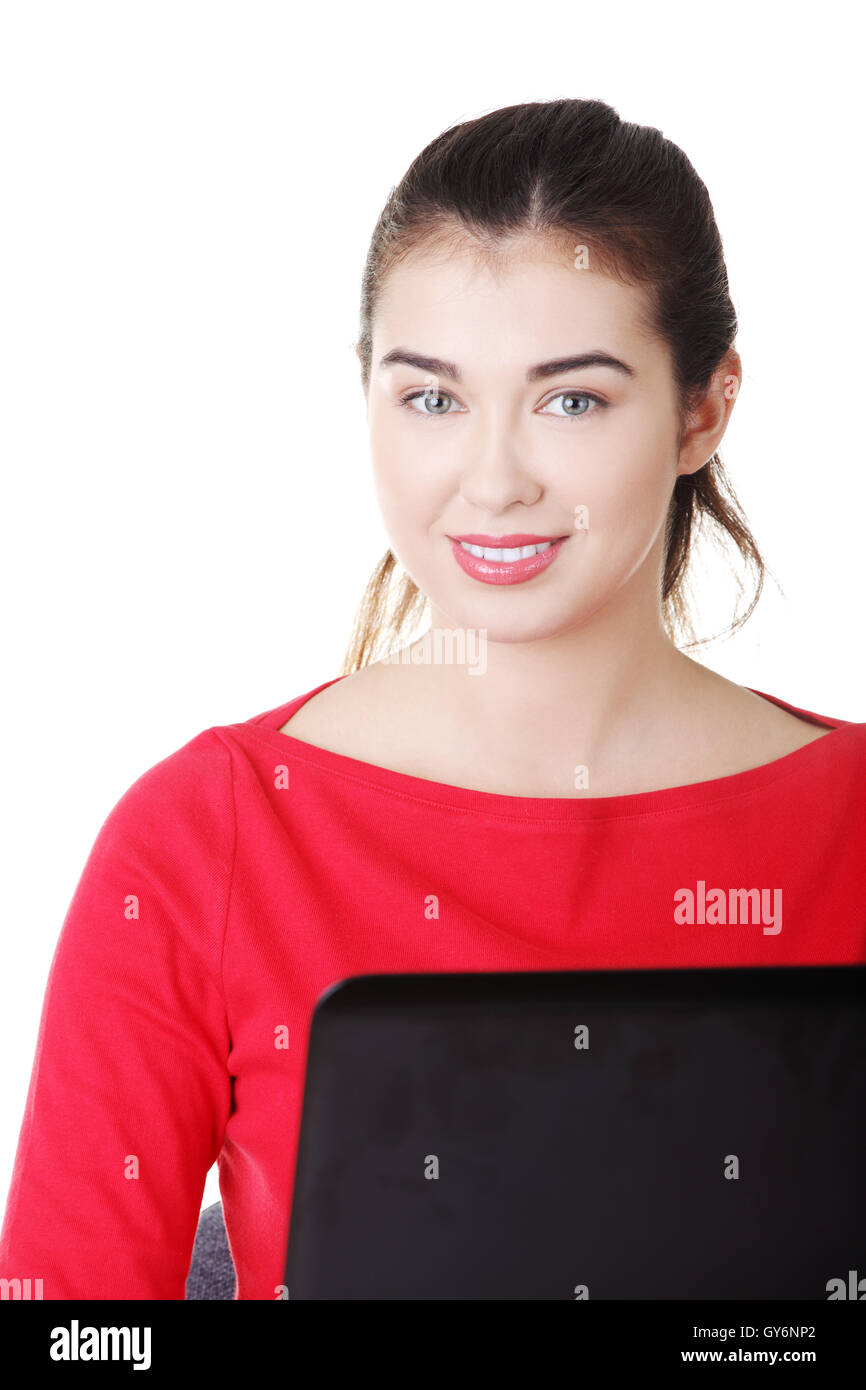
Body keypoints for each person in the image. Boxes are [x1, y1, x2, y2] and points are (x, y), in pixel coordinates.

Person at [1, 98, 864, 1302]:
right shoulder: (206, 834)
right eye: (430, 398)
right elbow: (77, 1325)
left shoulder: (848, 822)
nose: (494, 480)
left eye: (572, 399)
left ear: (701, 410)